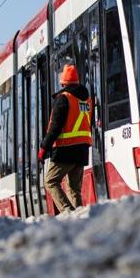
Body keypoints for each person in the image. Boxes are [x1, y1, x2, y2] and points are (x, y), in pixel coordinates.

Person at [38, 63, 92, 213]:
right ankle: (80, 216)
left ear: (63, 83)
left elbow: (55, 126)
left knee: (50, 181)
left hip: (65, 149)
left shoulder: (64, 98)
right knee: (74, 189)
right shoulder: (87, 99)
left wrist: (44, 148)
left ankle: (68, 212)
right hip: (82, 150)